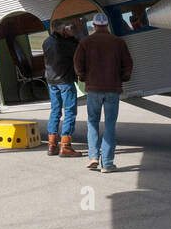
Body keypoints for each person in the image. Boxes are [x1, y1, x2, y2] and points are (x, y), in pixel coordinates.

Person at [73, 11, 133, 173]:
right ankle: (107, 163)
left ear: (94, 25)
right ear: (106, 24)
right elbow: (128, 64)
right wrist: (123, 77)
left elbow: (78, 64)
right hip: (112, 89)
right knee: (110, 125)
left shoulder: (85, 42)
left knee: (92, 122)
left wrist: (84, 77)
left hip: (93, 89)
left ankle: (93, 157)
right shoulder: (118, 42)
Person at [42, 19, 82, 157]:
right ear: (62, 29)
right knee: (70, 111)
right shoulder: (64, 42)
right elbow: (78, 49)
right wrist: (73, 35)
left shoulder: (46, 42)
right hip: (65, 81)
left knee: (55, 111)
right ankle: (66, 145)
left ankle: (52, 145)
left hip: (51, 81)